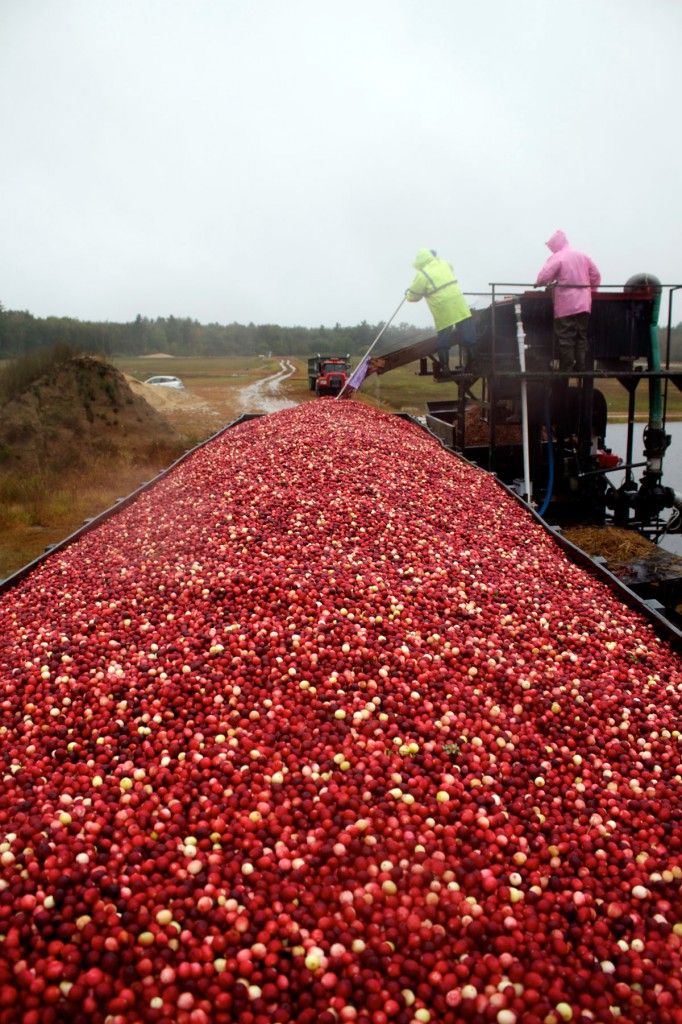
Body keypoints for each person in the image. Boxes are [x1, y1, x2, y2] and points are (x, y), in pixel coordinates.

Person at [535, 230, 601, 372]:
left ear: (555, 245)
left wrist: (538, 283)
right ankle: (581, 366)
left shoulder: (559, 257)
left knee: (566, 336)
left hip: (566, 304)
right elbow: (595, 275)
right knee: (581, 335)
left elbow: (544, 276)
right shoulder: (583, 256)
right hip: (584, 304)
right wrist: (591, 290)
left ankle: (567, 367)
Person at [405, 248, 475, 375]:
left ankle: (445, 368)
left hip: (443, 308)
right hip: (459, 304)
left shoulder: (422, 275)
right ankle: (473, 365)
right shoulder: (445, 263)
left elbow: (413, 297)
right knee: (469, 336)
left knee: (443, 339)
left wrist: (407, 293)